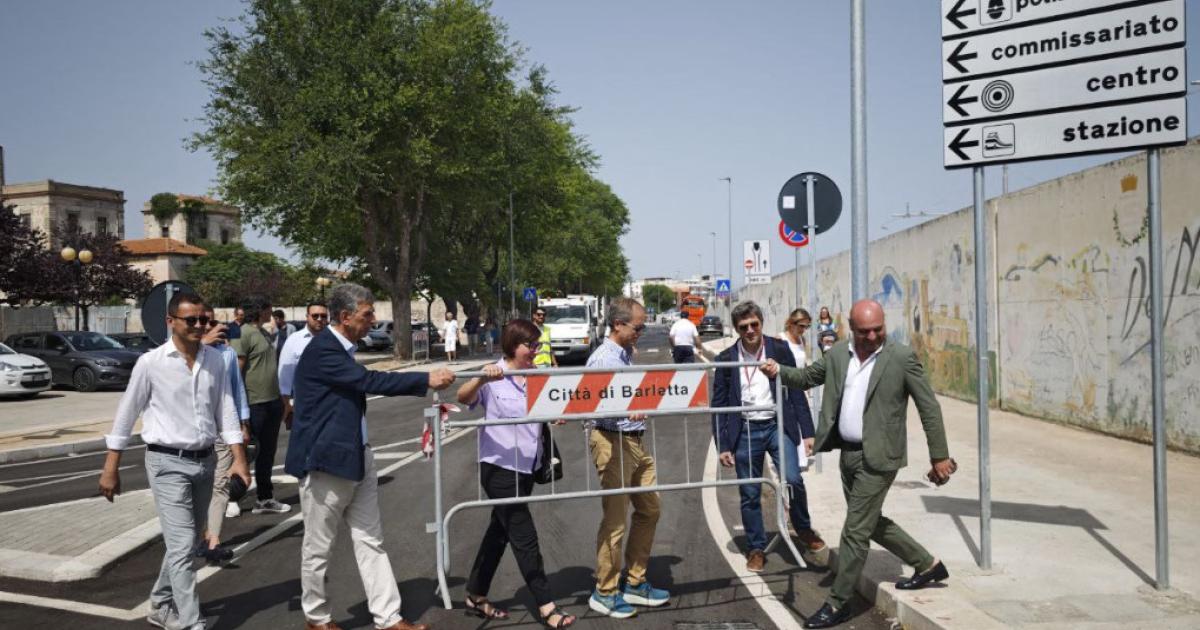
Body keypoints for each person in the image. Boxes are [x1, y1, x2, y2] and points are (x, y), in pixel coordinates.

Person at [766, 299, 956, 629]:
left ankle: (838, 603)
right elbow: (808, 377)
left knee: (854, 530)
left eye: (878, 329)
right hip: (848, 453)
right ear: (851, 329)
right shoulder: (839, 354)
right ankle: (927, 564)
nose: (872, 336)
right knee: (868, 520)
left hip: (881, 456)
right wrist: (779, 371)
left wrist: (939, 455)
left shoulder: (900, 357)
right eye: (864, 331)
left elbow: (929, 407)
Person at [286, 283, 455, 630]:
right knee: (319, 548)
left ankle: (388, 617)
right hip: (327, 464)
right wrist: (425, 379)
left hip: (357, 459)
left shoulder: (341, 347)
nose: (373, 320)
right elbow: (369, 381)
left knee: (370, 541)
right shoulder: (324, 350)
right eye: (367, 315)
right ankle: (316, 618)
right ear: (346, 317)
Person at [99, 292, 250, 630]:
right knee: (183, 546)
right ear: (171, 322)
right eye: (191, 320)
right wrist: (111, 467)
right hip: (167, 463)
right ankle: (189, 621)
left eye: (205, 320)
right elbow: (126, 414)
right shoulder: (150, 363)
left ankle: (160, 604)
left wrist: (240, 459)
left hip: (206, 461)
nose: (200, 325)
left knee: (187, 543)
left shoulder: (215, 360)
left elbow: (226, 411)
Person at [454, 319, 577, 628]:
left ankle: (476, 594)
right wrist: (481, 379)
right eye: (529, 346)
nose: (534, 351)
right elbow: (463, 397)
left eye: (537, 346)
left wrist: (556, 417)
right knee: (524, 537)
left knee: (499, 532)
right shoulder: (494, 375)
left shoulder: (535, 376)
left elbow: (548, 409)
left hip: (527, 467)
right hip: (499, 468)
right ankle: (547, 605)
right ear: (512, 345)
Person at [713, 301, 823, 574]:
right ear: (737, 329)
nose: (750, 331)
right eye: (744, 327)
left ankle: (803, 528)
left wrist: (808, 432)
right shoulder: (727, 358)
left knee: (794, 479)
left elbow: (796, 389)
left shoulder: (779, 349)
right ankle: (756, 548)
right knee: (750, 493)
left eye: (754, 324)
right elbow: (719, 403)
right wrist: (723, 444)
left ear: (761, 323)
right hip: (745, 431)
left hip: (777, 425)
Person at [586, 297, 669, 619]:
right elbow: (590, 403)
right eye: (638, 326)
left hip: (634, 441)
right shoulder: (603, 358)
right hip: (612, 441)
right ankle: (605, 591)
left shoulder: (623, 355)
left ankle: (635, 581)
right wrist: (624, 408)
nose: (642, 331)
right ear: (618, 324)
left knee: (650, 508)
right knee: (616, 519)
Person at [199, 304, 253, 555]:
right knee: (197, 487)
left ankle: (214, 539)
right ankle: (201, 534)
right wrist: (202, 346)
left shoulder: (227, 354)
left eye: (211, 323)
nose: (206, 327)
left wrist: (242, 423)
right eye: (201, 322)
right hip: (193, 432)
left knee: (219, 484)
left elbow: (236, 388)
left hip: (222, 429)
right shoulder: (179, 354)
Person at [231, 296, 290, 515]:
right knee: (245, 453)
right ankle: (231, 498)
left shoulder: (263, 333)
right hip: (254, 403)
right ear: (260, 311)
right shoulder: (241, 333)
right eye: (269, 310)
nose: (272, 314)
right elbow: (236, 371)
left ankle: (264, 498)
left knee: (267, 453)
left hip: (272, 401)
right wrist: (238, 409)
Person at [278, 302, 330, 432]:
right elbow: (284, 377)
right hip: (305, 405)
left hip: (331, 404)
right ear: (307, 317)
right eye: (315, 316)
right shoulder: (294, 340)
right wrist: (286, 405)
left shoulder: (335, 339)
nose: (319, 319)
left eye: (323, 316)